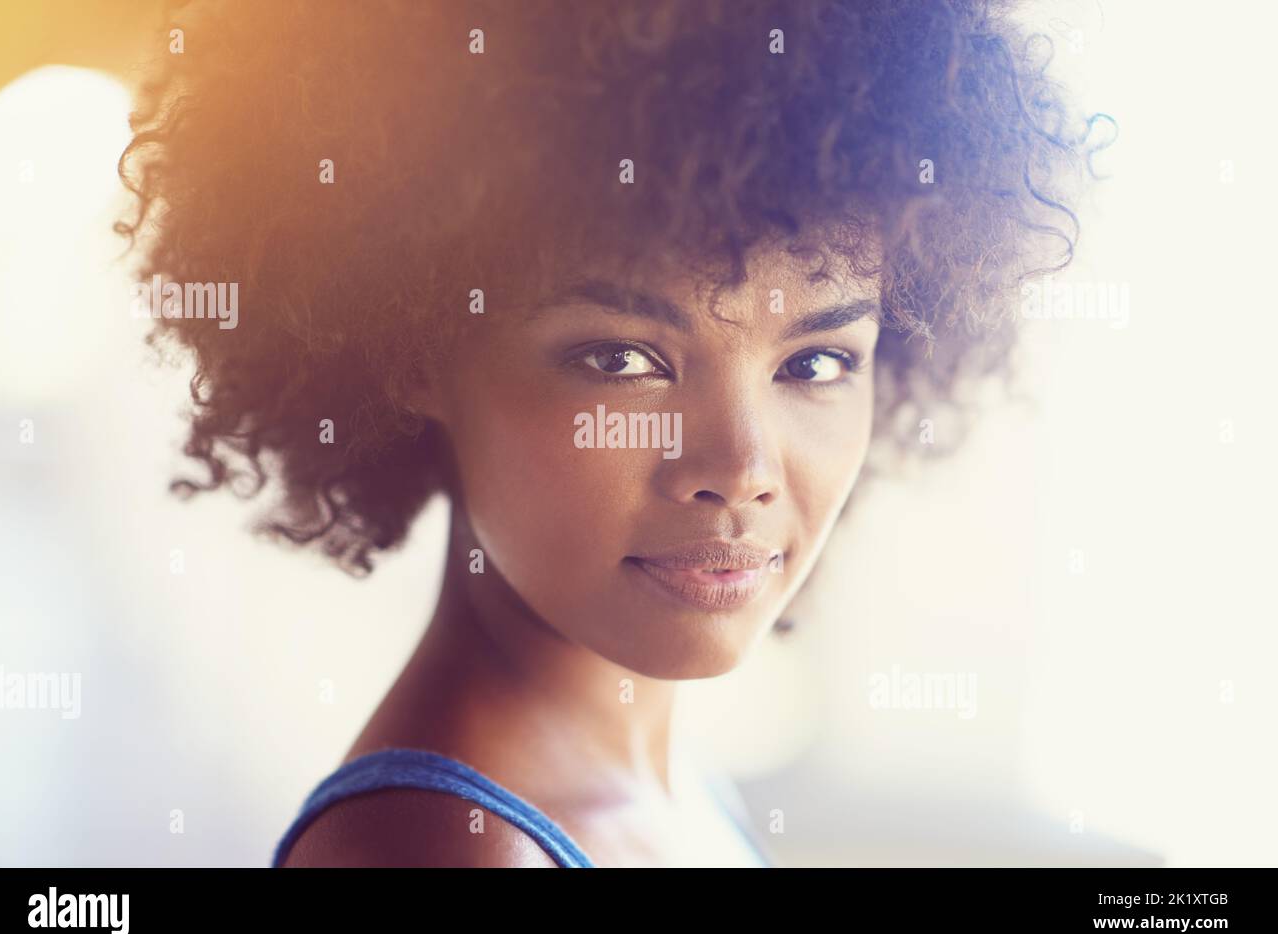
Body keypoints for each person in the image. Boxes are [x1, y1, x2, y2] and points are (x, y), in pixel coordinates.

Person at [116, 0, 1107, 866]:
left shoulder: (660, 781)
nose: (741, 469)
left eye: (813, 363)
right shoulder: (435, 852)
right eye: (620, 361)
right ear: (411, 345)